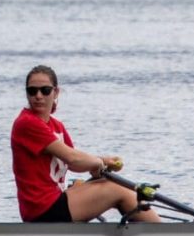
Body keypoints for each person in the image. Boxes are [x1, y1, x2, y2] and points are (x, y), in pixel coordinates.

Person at [11, 65, 162, 224]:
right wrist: (101, 162)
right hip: (42, 210)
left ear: (56, 92)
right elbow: (73, 158)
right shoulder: (27, 123)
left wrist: (99, 168)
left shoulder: (56, 126)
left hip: (54, 201)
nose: (38, 96)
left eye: (45, 90)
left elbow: (75, 165)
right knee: (118, 190)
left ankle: (152, 232)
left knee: (109, 185)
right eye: (32, 91)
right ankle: (162, 235)